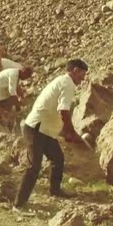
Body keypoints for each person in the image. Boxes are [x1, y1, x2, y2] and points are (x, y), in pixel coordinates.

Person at [14, 59, 89, 208]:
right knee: (34, 166)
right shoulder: (67, 84)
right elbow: (63, 110)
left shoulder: (63, 81)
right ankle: (18, 204)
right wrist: (70, 132)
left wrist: (65, 131)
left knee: (58, 159)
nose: (83, 78)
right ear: (75, 70)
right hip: (36, 129)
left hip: (46, 130)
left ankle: (55, 191)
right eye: (82, 74)